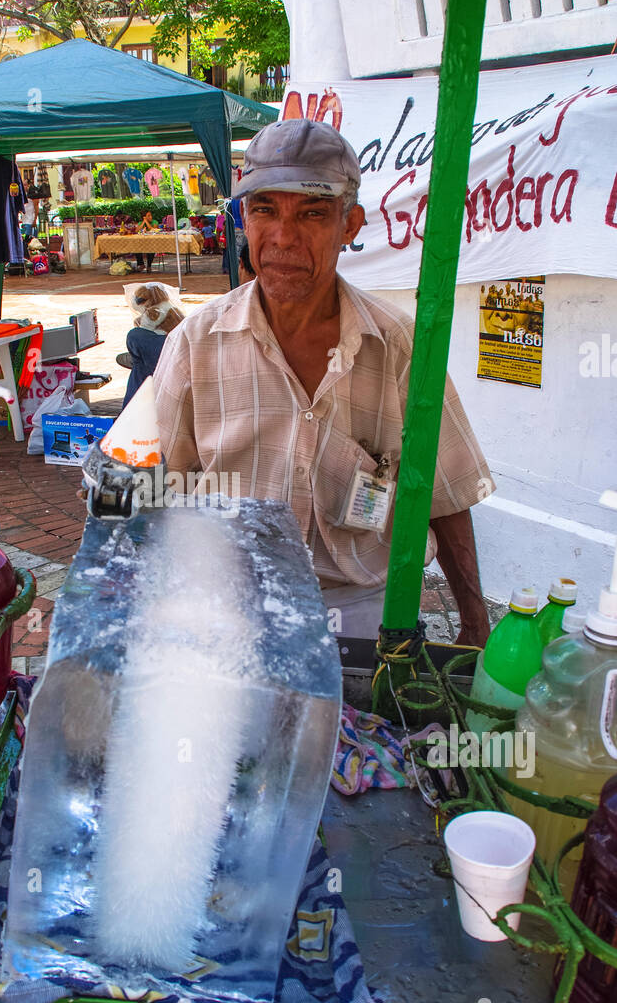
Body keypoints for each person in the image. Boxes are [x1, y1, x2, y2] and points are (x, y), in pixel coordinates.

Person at [152, 119, 493, 645]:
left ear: (349, 224)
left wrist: (476, 628)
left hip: (360, 608)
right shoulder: (196, 342)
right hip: (232, 606)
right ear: (244, 216)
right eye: (265, 209)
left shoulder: (398, 344)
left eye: (312, 213)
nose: (284, 238)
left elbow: (445, 497)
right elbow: (164, 486)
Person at [117, 283, 184, 406]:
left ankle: (139, 357)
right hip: (174, 349)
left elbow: (145, 327)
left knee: (134, 336)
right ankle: (140, 357)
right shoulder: (169, 308)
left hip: (160, 348)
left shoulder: (154, 312)